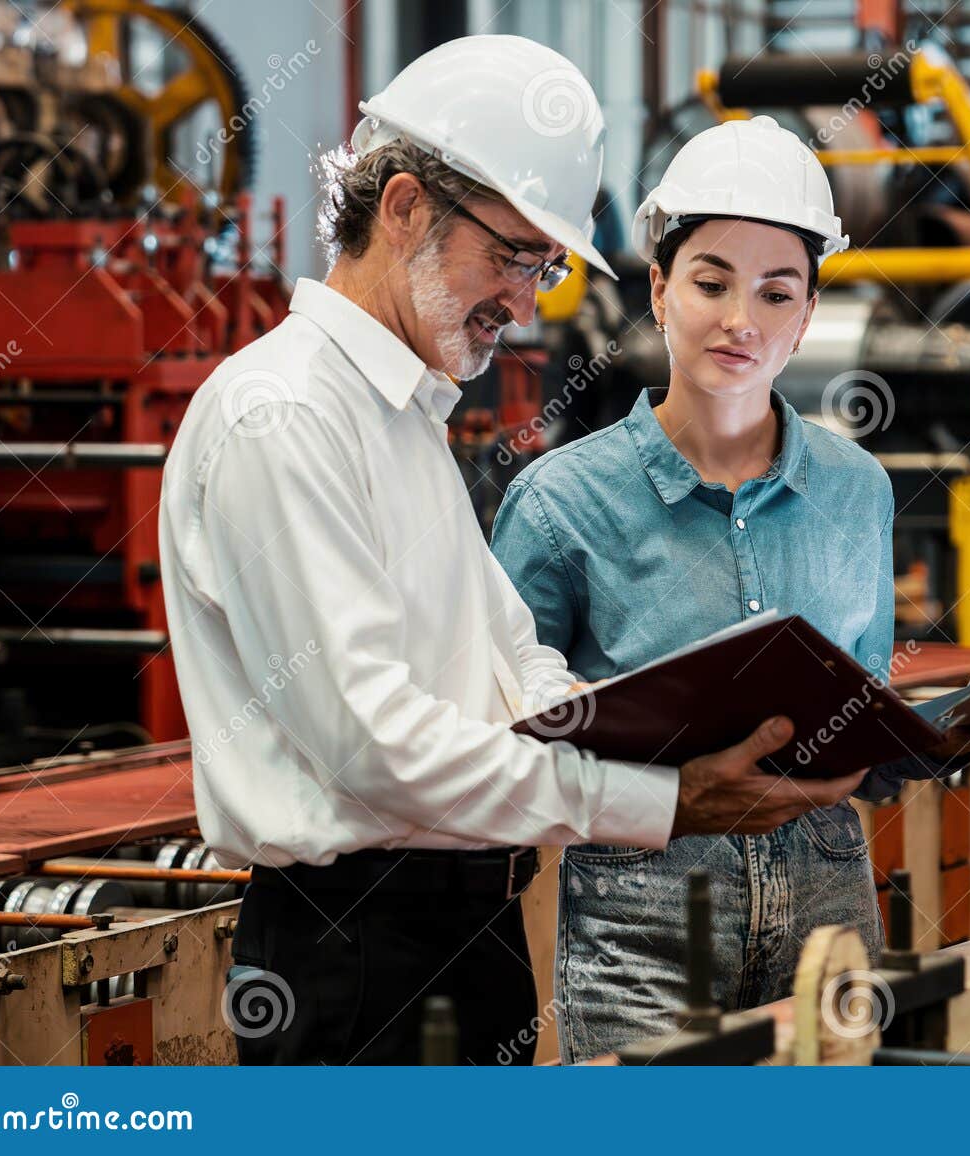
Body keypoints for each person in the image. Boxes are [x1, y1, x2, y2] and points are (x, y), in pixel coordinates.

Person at [157, 38, 864, 1067]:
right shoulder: (283, 417)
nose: (526, 305)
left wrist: (643, 722)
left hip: (457, 928)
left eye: (543, 268)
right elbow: (375, 745)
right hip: (355, 951)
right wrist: (659, 800)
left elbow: (509, 652)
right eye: (512, 257)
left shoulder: (400, 414)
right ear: (402, 208)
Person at [491, 115, 970, 1063]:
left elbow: (855, 723)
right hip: (645, 908)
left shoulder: (855, 489)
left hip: (829, 890)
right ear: (661, 291)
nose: (740, 320)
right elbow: (508, 738)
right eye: (710, 282)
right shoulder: (559, 501)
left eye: (776, 292)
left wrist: (940, 739)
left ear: (808, 316)